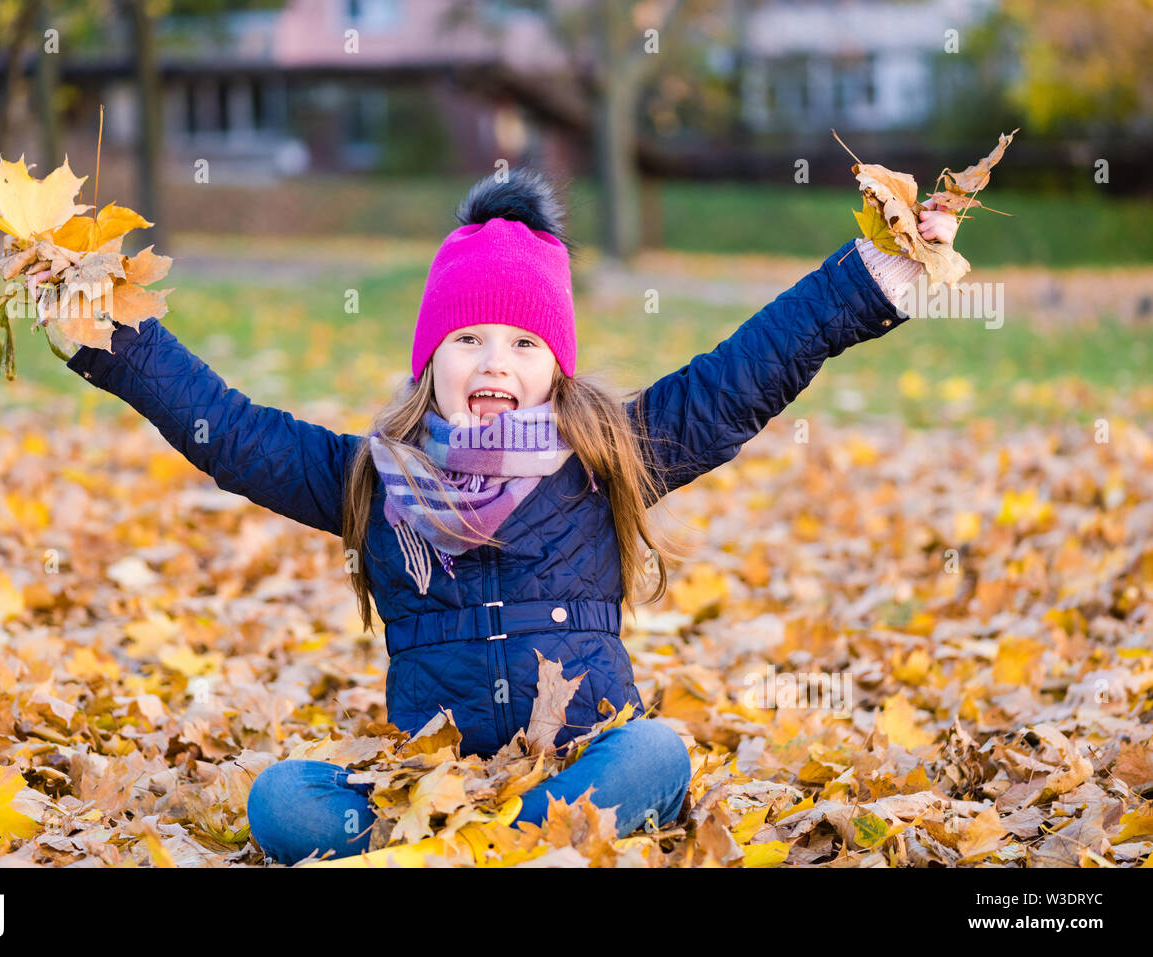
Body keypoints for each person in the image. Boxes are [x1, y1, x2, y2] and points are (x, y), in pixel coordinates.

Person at [59, 168, 958, 865]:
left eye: (525, 342)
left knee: (657, 755)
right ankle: (467, 845)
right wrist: (109, 332)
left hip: (574, 775)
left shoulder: (610, 454)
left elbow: (744, 376)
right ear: (431, 361)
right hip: (430, 785)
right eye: (469, 338)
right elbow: (233, 434)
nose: (496, 360)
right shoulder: (371, 476)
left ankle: (502, 846)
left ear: (555, 365)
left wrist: (868, 280)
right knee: (281, 801)